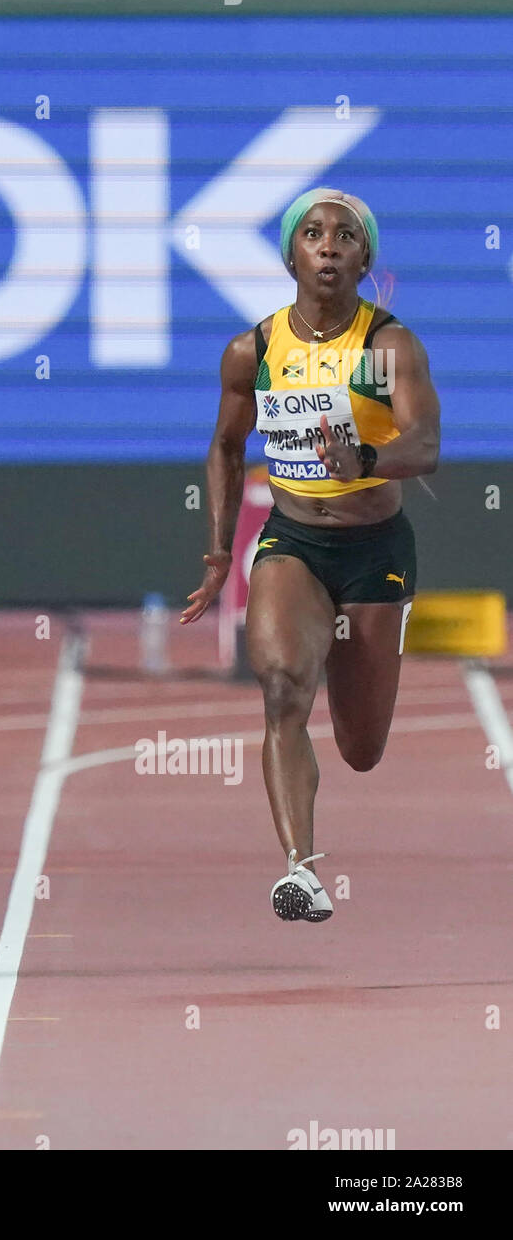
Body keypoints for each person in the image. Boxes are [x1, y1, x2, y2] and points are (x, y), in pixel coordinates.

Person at [181, 188, 440, 922]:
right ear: (291, 253)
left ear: (365, 258)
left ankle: (385, 631)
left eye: (346, 236)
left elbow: (425, 444)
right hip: (292, 542)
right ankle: (301, 869)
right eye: (314, 234)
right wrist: (217, 556)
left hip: (375, 550)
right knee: (283, 689)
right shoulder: (253, 350)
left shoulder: (388, 346)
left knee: (361, 748)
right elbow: (227, 448)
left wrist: (363, 454)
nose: (329, 245)